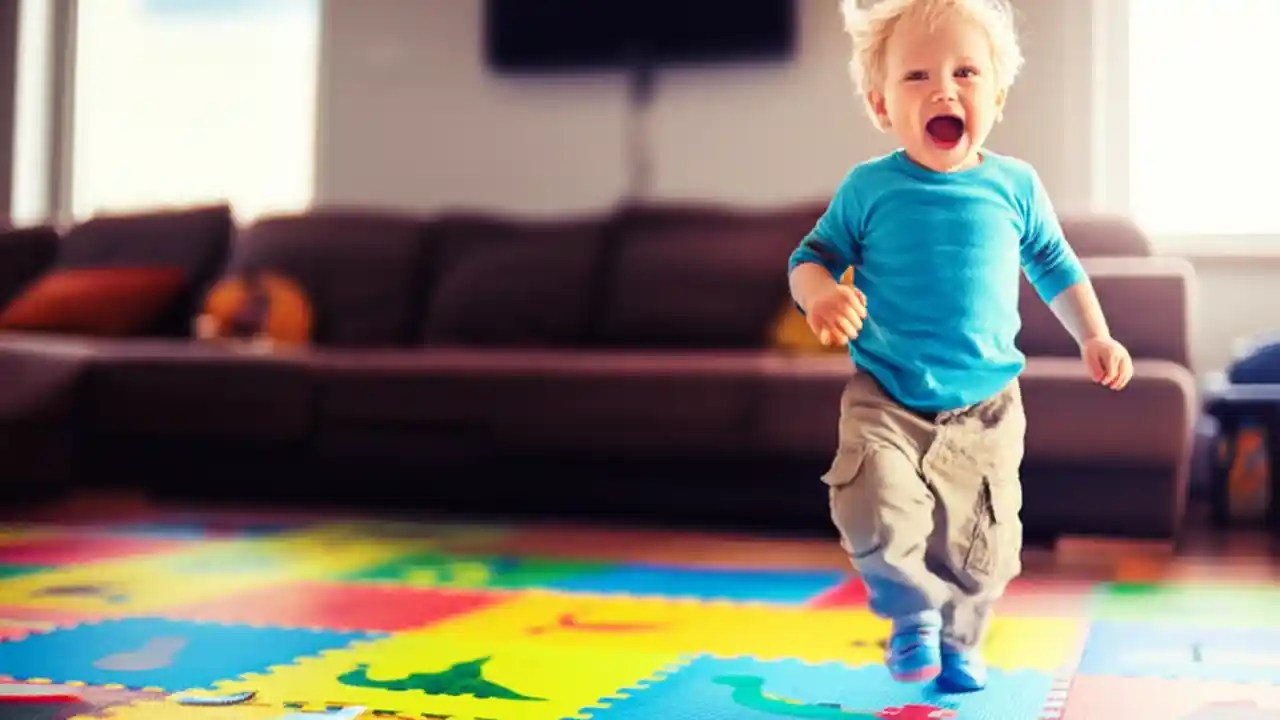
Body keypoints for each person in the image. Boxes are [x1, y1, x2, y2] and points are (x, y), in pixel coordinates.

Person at [786, 0, 1133, 692]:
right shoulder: (869, 189)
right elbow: (810, 255)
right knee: (871, 506)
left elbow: (1056, 266)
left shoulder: (1015, 186)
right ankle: (912, 610)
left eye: (966, 72)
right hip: (887, 397)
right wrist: (820, 294)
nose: (944, 89)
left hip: (987, 408)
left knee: (982, 550)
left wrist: (1095, 333)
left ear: (997, 96)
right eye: (917, 76)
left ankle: (959, 638)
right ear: (881, 104)